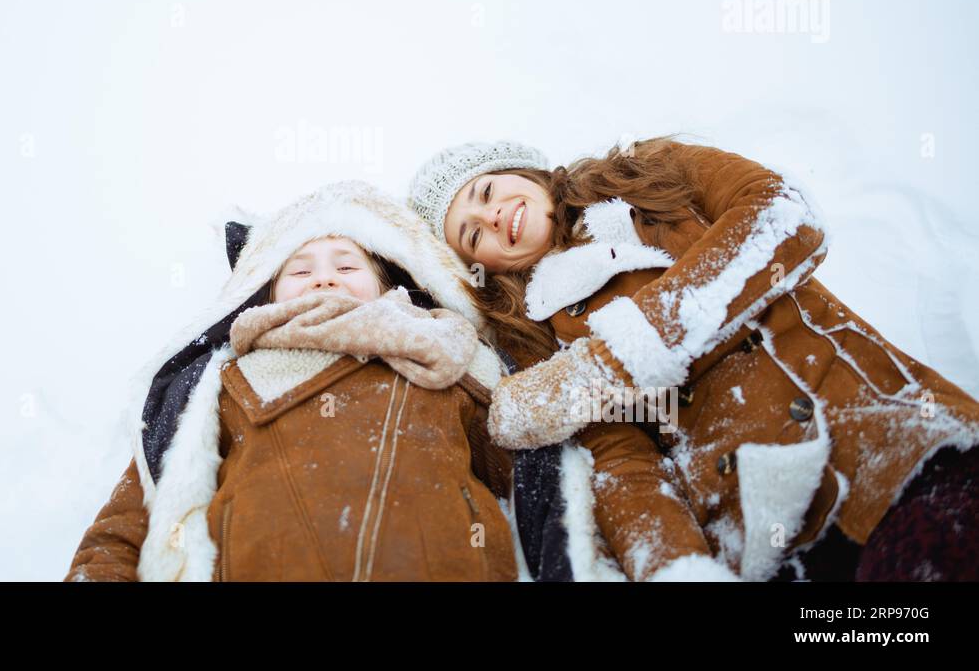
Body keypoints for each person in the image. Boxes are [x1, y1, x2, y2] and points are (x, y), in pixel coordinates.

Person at [408, 137, 979, 581]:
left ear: (519, 168)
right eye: (471, 235)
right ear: (485, 266)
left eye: (485, 193)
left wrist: (617, 358)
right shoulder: (544, 340)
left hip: (885, 440)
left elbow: (784, 218)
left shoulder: (644, 175)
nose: (492, 218)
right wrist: (673, 567)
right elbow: (624, 467)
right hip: (761, 532)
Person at [63, 180, 530, 581]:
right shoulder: (219, 384)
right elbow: (131, 521)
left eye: (346, 267)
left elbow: (541, 486)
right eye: (301, 270)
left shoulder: (449, 358)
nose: (324, 280)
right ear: (262, 294)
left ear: (391, 286)